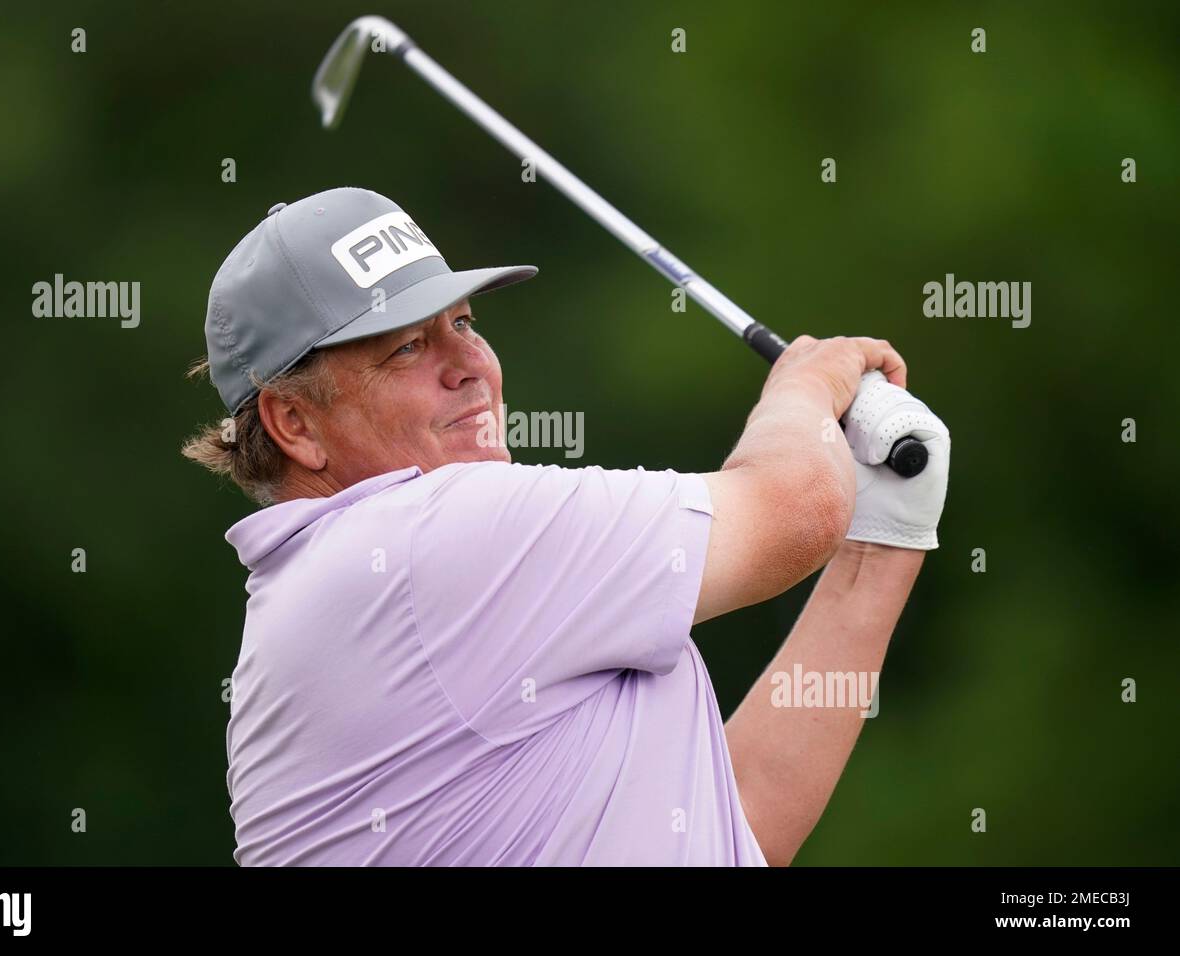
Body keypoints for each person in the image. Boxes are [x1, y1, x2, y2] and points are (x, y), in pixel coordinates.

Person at [182, 186, 951, 866]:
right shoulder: (422, 541)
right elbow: (796, 509)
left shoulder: (357, 586)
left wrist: (886, 537)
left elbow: (734, 824)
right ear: (294, 422)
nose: (470, 364)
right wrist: (809, 385)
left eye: (464, 322)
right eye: (409, 347)